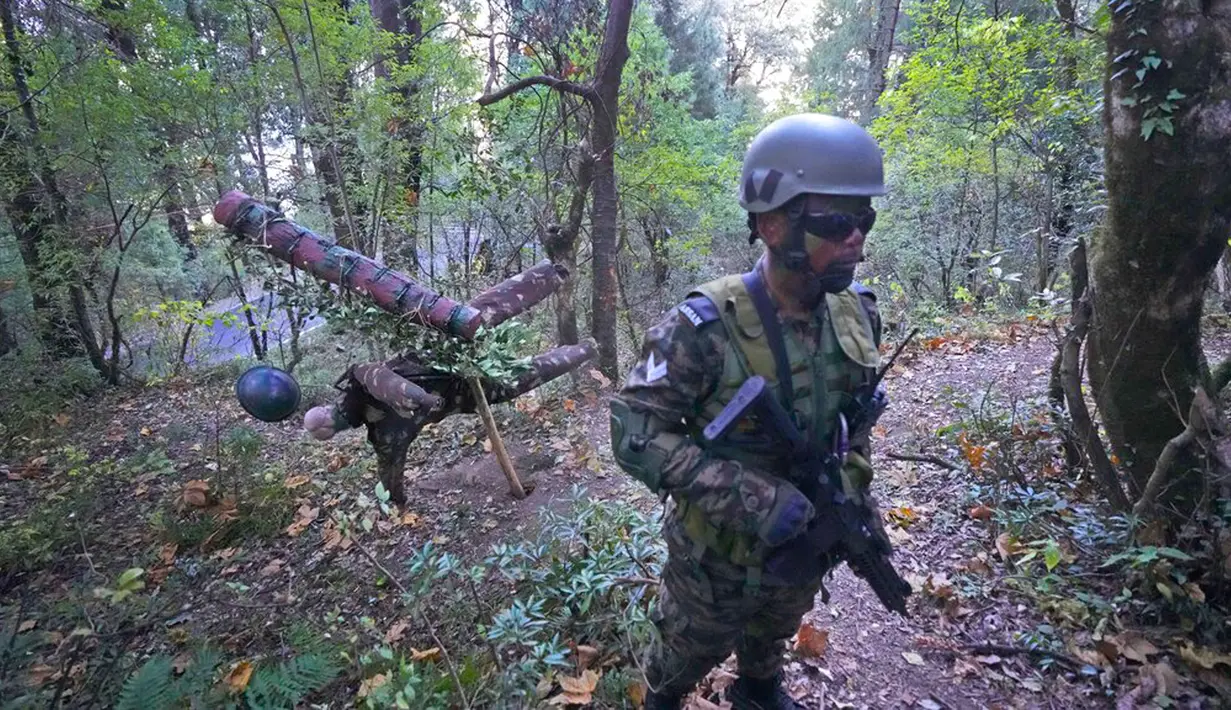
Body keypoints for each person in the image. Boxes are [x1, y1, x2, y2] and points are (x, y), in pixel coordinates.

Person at [609, 113, 893, 710]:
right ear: (771, 224)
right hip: (714, 557)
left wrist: (857, 503)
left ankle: (759, 689)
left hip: (804, 539)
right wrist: (752, 496)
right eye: (837, 222)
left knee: (776, 626)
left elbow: (852, 427)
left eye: (863, 219)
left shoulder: (857, 315)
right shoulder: (703, 328)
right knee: (684, 652)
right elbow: (634, 433)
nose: (856, 238)